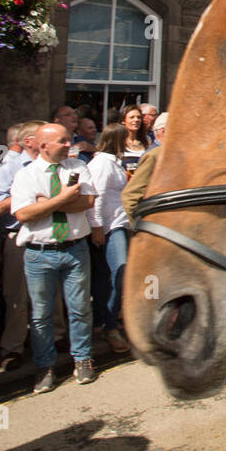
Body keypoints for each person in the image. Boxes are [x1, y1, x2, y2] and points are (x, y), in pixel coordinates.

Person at [11, 123, 98, 393]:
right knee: (40, 315)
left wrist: (45, 203)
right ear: (43, 145)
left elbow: (87, 202)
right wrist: (63, 198)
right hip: (40, 253)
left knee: (80, 308)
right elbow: (23, 215)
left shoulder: (78, 167)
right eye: (62, 141)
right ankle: (45, 366)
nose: (67, 144)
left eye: (68, 139)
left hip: (75, 249)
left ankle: (83, 358)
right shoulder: (25, 175)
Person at [0, 119, 44, 369]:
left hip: (48, 233)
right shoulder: (10, 165)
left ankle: (53, 338)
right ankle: (13, 347)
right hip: (19, 235)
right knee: (17, 296)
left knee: (47, 295)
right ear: (29, 141)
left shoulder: (51, 164)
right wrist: (27, 194)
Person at [88, 124, 131, 353]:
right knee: (120, 271)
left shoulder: (113, 162)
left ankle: (101, 321)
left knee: (105, 276)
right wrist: (96, 227)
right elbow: (97, 196)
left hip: (118, 223)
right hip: (109, 227)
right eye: (125, 139)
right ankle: (110, 323)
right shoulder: (103, 164)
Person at [121, 112, 166, 224]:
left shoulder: (171, 154)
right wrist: (140, 226)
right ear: (163, 131)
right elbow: (131, 195)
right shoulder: (154, 155)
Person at [121, 105, 149, 174]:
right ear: (123, 121)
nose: (136, 120)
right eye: (132, 117)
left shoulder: (147, 140)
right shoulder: (117, 141)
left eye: (139, 117)